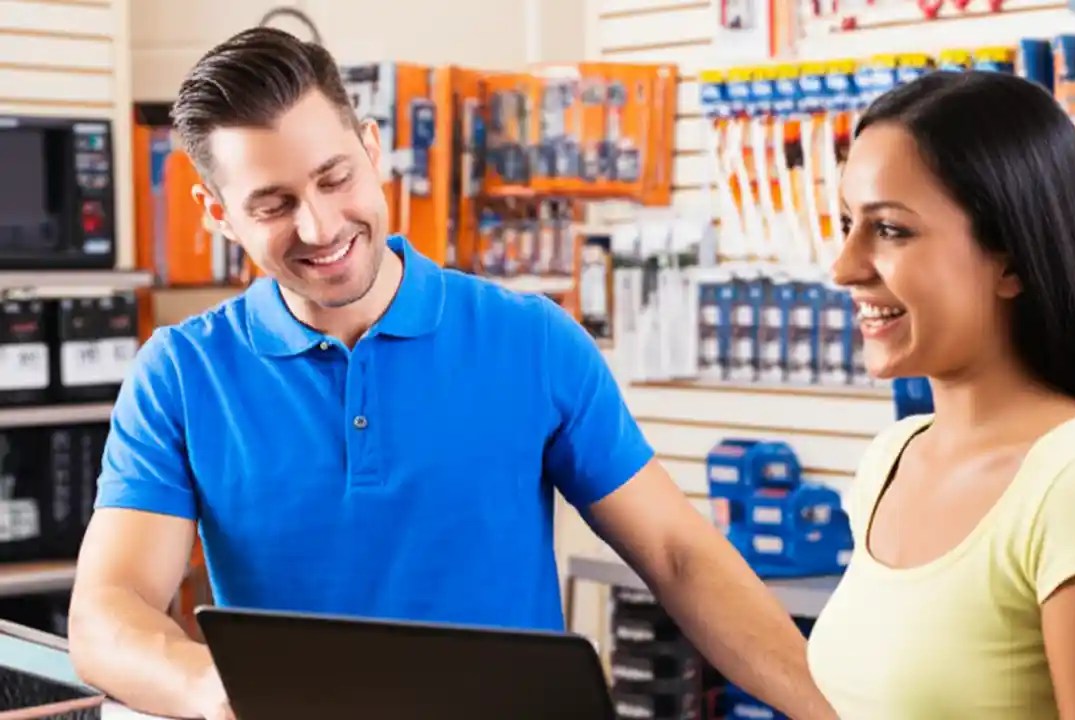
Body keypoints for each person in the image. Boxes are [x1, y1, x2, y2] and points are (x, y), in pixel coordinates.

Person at [66, 27, 837, 720]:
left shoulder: (532, 340)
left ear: (373, 148)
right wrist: (214, 689)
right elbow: (109, 610)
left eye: (336, 179)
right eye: (273, 204)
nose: (321, 227)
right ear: (216, 213)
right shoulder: (180, 373)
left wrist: (831, 710)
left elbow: (679, 555)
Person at [805, 70, 1075, 719]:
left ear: (1012, 258)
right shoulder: (891, 460)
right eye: (848, 223)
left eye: (891, 230)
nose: (844, 266)